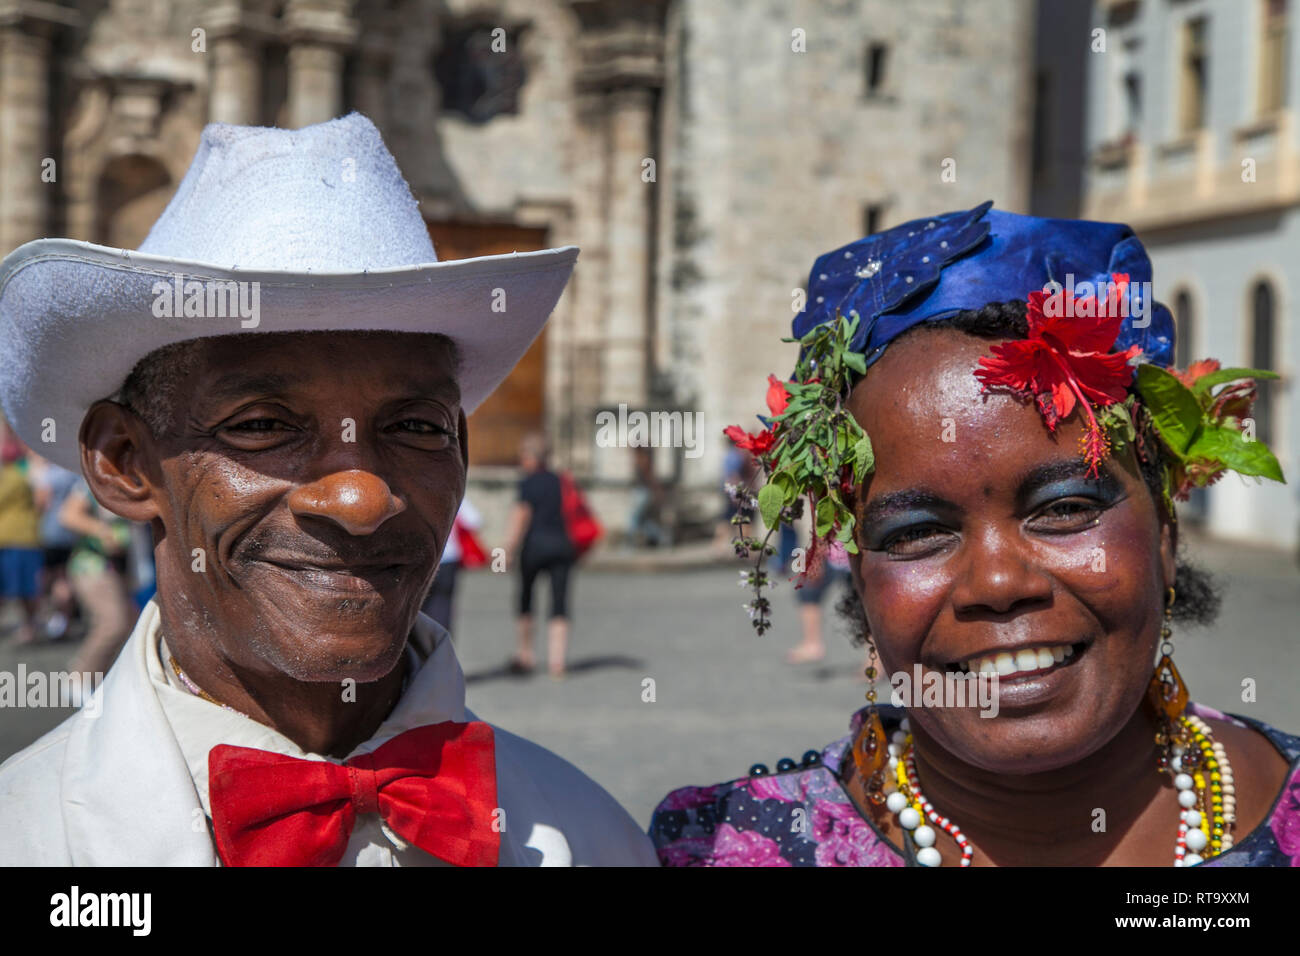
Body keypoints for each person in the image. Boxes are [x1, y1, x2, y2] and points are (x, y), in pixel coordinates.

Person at [0, 113, 656, 866]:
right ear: (123, 461)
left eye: (414, 427)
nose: (360, 499)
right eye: (261, 426)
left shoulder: (595, 839)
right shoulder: (27, 842)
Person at [651, 201, 1298, 866]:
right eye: (917, 532)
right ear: (860, 574)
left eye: (1066, 507)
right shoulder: (722, 850)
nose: (997, 582)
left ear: (1165, 531)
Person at [503, 432, 577, 679]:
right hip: (562, 546)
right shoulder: (561, 480)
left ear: (532, 457)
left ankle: (526, 654)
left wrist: (508, 550)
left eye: (523, 455)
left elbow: (521, 516)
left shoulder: (528, 483)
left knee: (526, 599)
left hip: (534, 547)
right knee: (560, 602)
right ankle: (558, 662)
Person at [58, 476, 135, 674]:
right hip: (93, 564)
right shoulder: (96, 480)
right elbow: (68, 515)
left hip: (123, 568)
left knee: (131, 624)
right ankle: (80, 677)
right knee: (113, 624)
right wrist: (103, 532)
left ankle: (99, 677)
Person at [26, 455, 83, 640]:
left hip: (50, 533)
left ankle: (41, 618)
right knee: (64, 577)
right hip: (71, 534)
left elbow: (40, 503)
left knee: (47, 578)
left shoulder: (48, 476)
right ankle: (63, 621)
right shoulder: (73, 474)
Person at [0, 424, 41, 645]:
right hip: (7, 539)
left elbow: (41, 499)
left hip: (21, 538)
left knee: (25, 589)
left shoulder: (23, 468)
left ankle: (30, 625)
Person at [419, 495, 482, 635]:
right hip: (448, 559)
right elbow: (474, 520)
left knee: (415, 610)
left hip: (423, 559)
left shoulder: (415, 492)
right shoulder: (452, 494)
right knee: (443, 606)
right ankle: (440, 649)